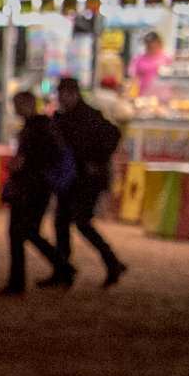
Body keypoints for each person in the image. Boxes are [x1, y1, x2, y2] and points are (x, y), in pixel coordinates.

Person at [50, 76, 127, 288]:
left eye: (64, 94)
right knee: (62, 222)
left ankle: (111, 262)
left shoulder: (89, 116)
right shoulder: (64, 117)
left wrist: (97, 161)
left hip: (87, 180)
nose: (61, 99)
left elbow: (113, 135)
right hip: (72, 179)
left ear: (73, 94)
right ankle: (63, 269)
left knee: (81, 222)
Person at [0, 90, 71, 296]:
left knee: (20, 231)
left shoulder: (36, 128)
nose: (16, 109)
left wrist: (21, 165)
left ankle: (21, 281)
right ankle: (61, 267)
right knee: (26, 231)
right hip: (37, 186)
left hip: (32, 187)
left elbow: (34, 157)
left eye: (18, 104)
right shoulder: (42, 126)